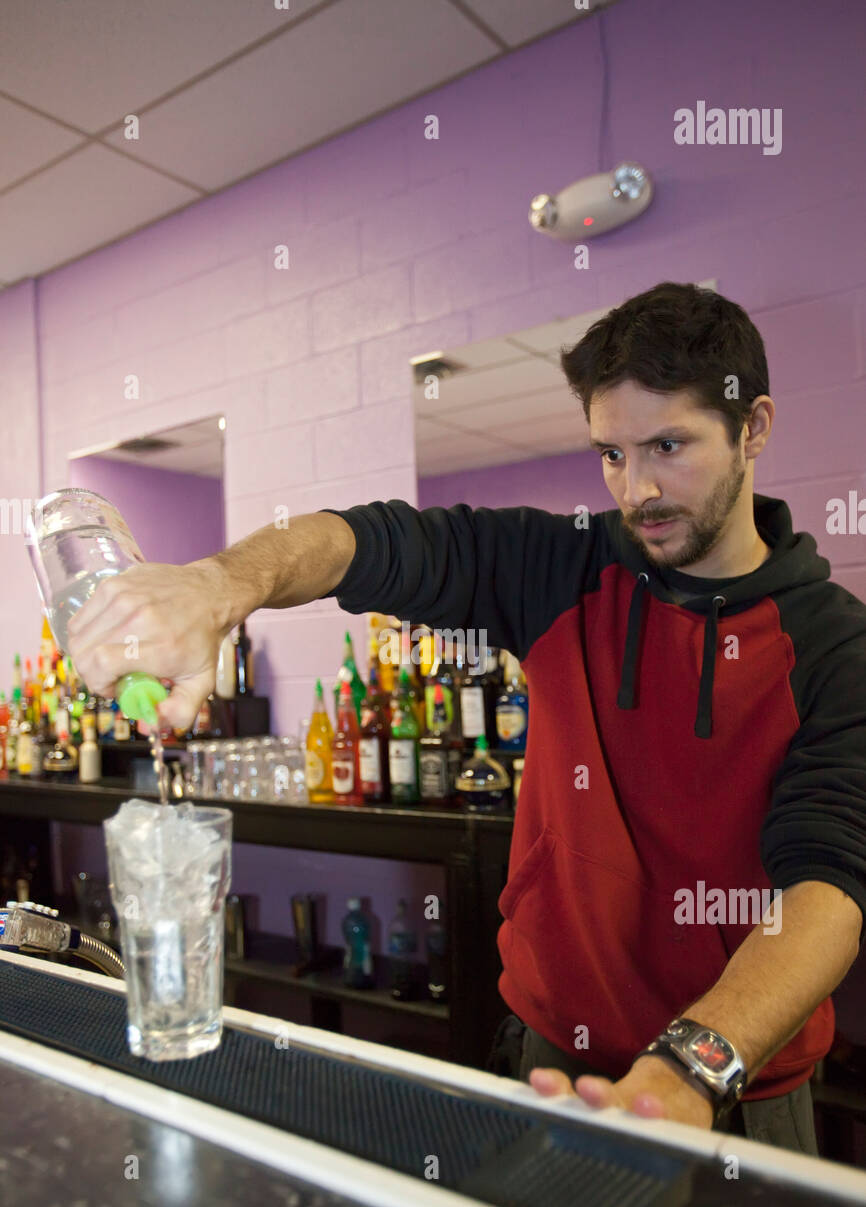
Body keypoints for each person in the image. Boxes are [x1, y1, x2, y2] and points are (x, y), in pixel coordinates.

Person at [67, 281, 866, 1155]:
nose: (635, 490)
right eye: (610, 454)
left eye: (668, 446)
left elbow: (826, 887)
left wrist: (691, 1069)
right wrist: (220, 585)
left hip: (733, 1083)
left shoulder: (832, 643)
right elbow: (366, 542)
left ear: (752, 428)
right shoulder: (561, 565)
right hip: (548, 1053)